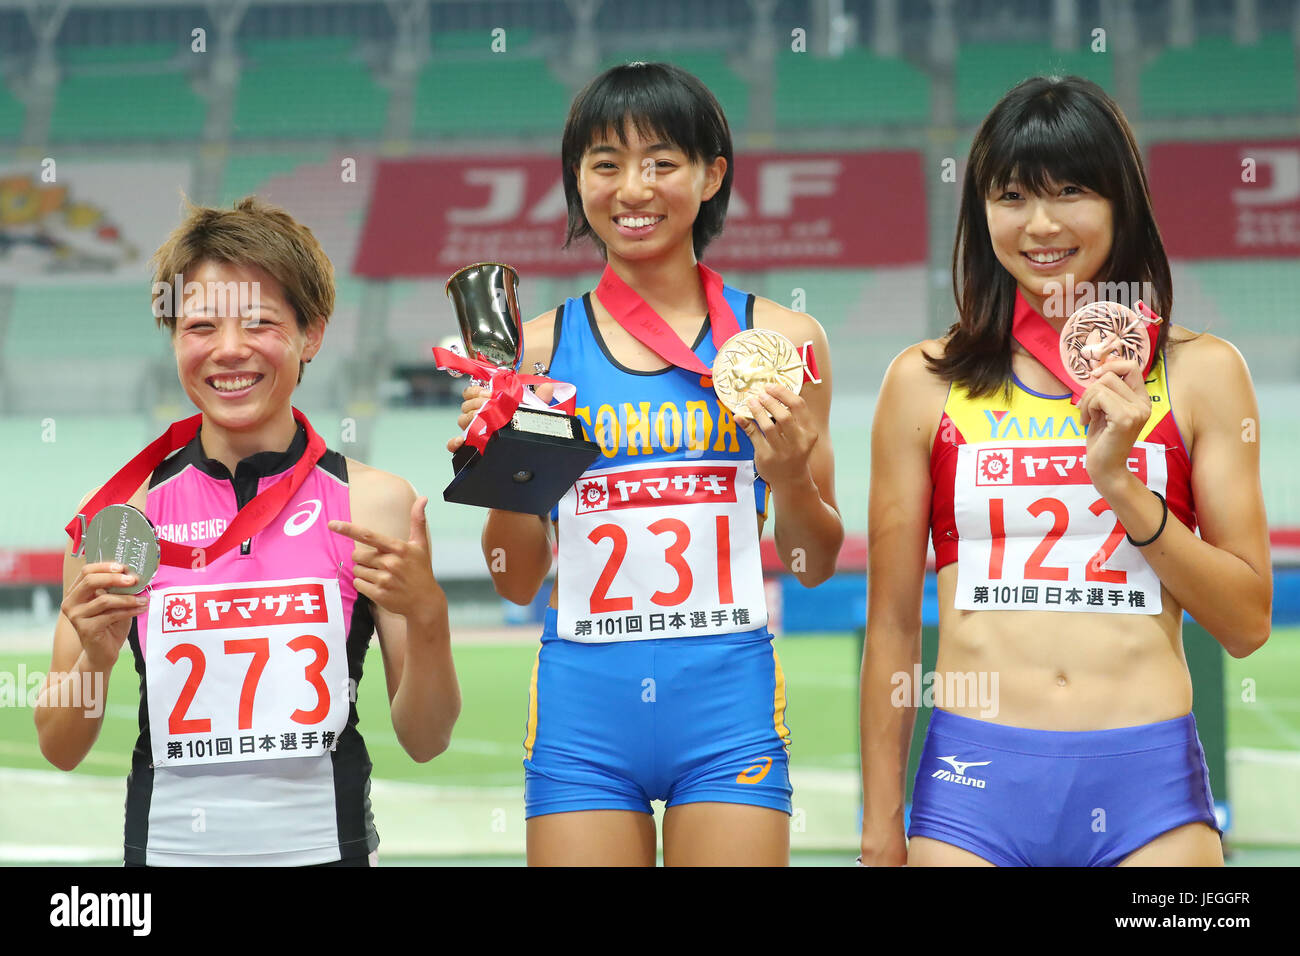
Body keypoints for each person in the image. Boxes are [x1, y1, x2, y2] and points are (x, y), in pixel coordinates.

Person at [859, 75, 1272, 867]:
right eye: (1011, 195)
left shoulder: (1203, 374)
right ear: (980, 212)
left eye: (1071, 191)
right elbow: (894, 626)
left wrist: (1123, 488)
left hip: (1149, 793)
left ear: (1121, 203)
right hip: (972, 788)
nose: (1040, 224)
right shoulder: (922, 381)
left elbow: (1247, 623)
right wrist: (882, 828)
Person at [448, 62, 843, 866]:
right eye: (605, 164)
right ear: (577, 180)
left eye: (662, 162)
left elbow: (811, 563)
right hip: (584, 716)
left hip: (728, 707)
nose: (634, 188)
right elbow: (516, 580)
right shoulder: (531, 352)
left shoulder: (781, 344)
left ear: (712, 174)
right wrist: (505, 465)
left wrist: (792, 472)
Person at [35, 196, 461, 866]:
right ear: (174, 337)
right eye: (200, 326)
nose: (229, 351)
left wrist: (429, 616)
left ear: (311, 334)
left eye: (260, 322)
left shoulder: (376, 504)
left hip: (332, 853)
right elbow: (60, 747)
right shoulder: (118, 515)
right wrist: (93, 656)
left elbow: (427, 739)